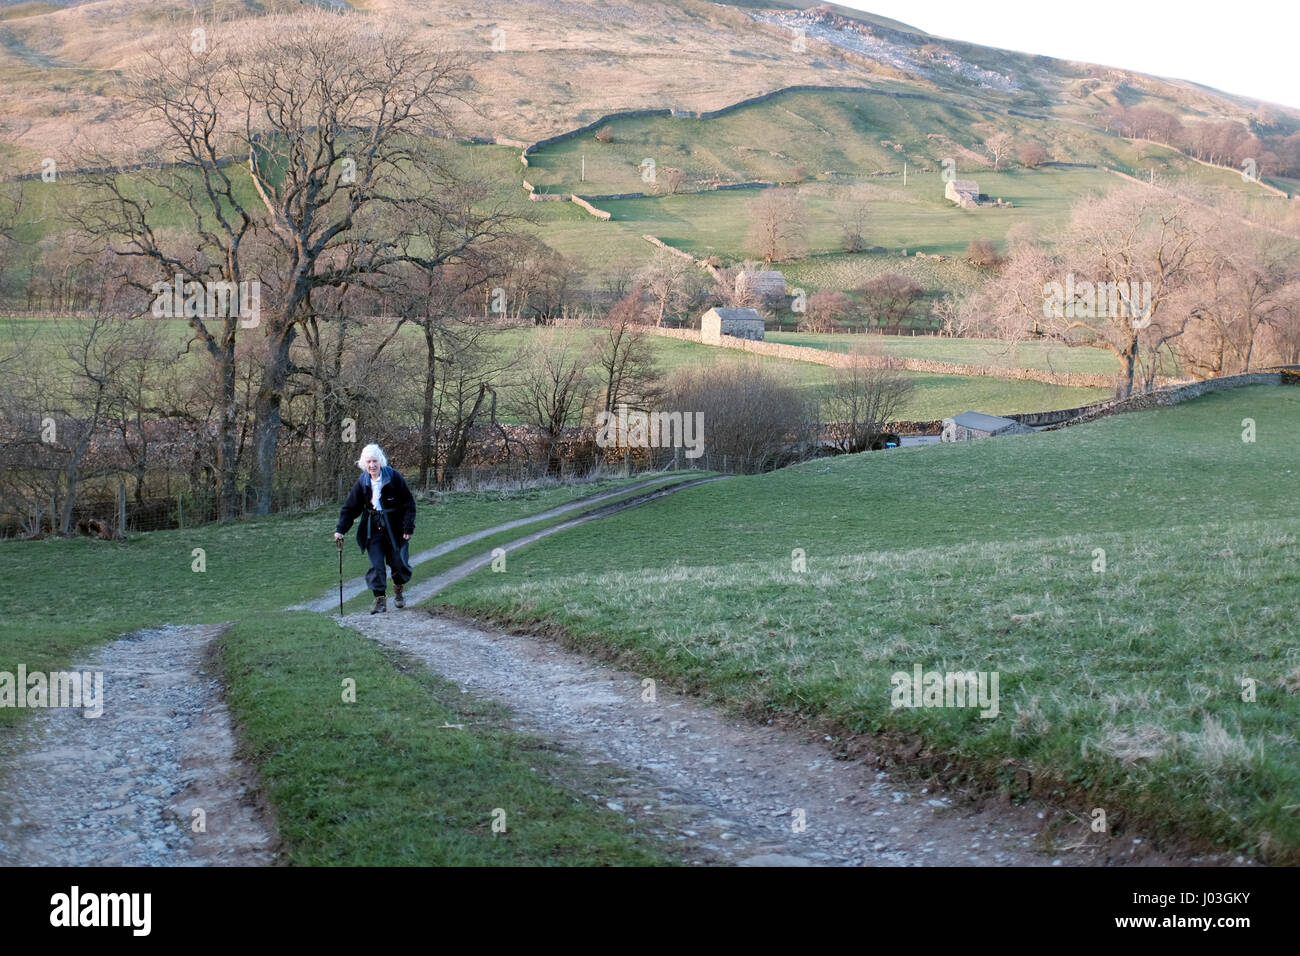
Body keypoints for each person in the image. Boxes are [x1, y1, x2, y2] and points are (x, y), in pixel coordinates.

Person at [334, 443, 416, 614]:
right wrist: (341, 530)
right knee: (376, 565)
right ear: (364, 464)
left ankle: (398, 589)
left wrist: (408, 527)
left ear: (381, 461)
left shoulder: (394, 477)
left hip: (395, 528)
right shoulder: (363, 482)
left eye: (374, 461)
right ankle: (380, 600)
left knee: (398, 563)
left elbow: (409, 504)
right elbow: (350, 508)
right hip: (373, 528)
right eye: (368, 462)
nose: (372, 465)